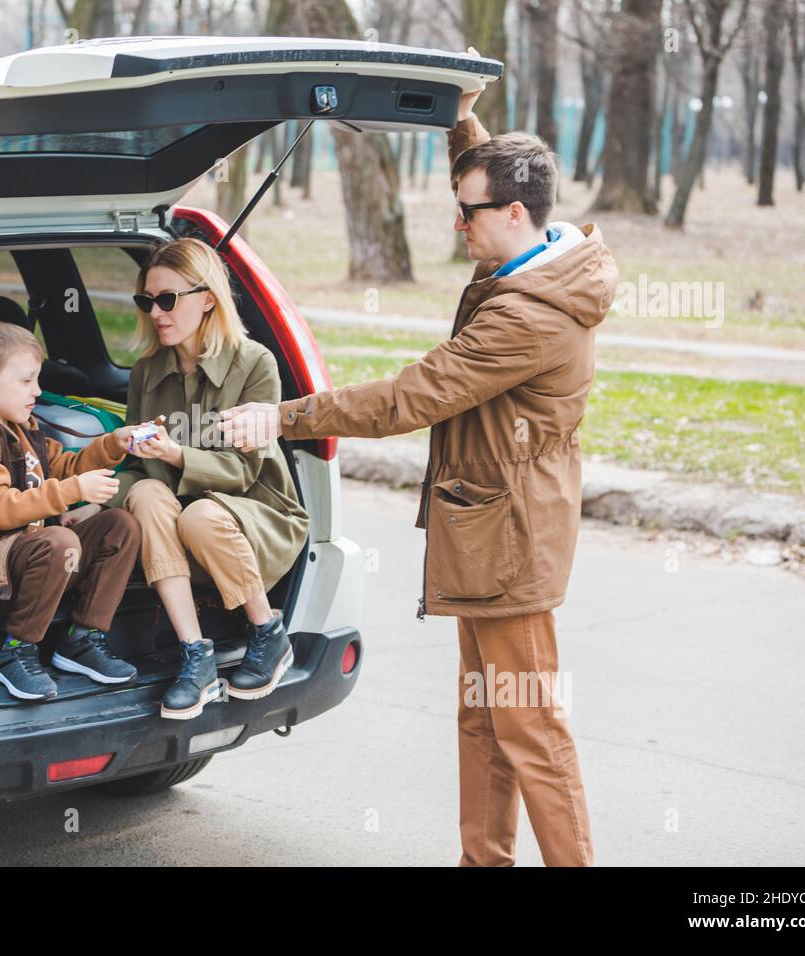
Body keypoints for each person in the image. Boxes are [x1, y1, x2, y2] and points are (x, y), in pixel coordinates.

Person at [219, 58, 619, 867]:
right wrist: (459, 123)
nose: (456, 226)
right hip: (487, 524)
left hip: (512, 540)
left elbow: (413, 397)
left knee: (529, 724)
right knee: (483, 715)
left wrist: (281, 416)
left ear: (513, 213)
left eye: (467, 214)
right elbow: (487, 184)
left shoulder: (530, 317)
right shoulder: (531, 254)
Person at [103, 237, 310, 720]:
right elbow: (137, 468)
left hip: (255, 513)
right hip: (177, 527)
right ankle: (195, 655)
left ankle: (267, 632)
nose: (155, 312)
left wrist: (176, 454)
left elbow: (244, 472)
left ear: (208, 299)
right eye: (147, 301)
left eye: (168, 299)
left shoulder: (254, 363)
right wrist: (103, 496)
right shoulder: (146, 372)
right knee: (149, 492)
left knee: (198, 515)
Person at [0, 319, 156, 701]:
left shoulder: (23, 428)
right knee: (59, 540)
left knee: (120, 525)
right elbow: (0, 509)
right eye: (27, 381)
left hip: (32, 560)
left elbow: (63, 468)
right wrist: (71, 492)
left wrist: (114, 443)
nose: (39, 391)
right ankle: (15, 653)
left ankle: (82, 640)